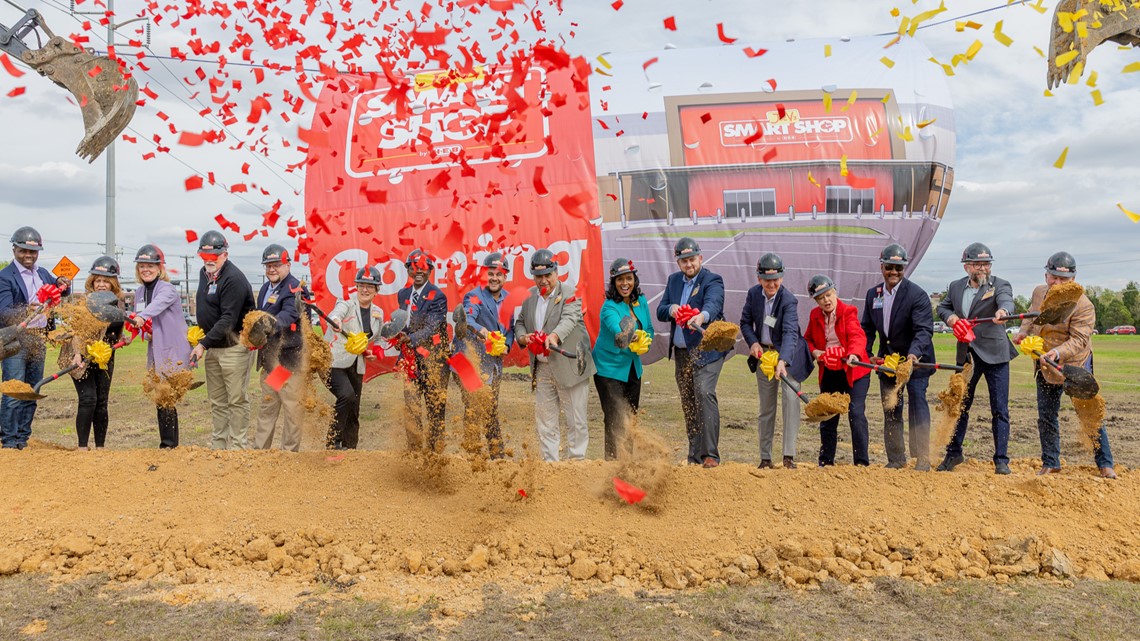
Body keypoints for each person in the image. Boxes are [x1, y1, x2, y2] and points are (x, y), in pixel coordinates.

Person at [1015, 251, 1115, 479]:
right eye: (1053, 278)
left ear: (1074, 280)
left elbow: (1079, 341)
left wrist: (1057, 353)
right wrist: (1023, 333)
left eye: (1064, 280)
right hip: (1045, 363)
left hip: (1075, 365)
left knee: (1089, 413)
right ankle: (1051, 462)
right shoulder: (1040, 292)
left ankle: (1105, 463)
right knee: (1047, 415)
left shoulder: (1084, 305)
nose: (1057, 283)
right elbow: (1032, 317)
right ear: (1046, 275)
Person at [937, 242, 1018, 475]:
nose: (983, 268)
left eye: (986, 264)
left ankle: (1001, 459)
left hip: (995, 355)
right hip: (967, 356)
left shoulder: (1000, 285)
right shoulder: (955, 287)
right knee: (960, 406)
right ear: (967, 267)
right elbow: (943, 307)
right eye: (978, 264)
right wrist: (951, 318)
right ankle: (953, 454)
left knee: (1000, 409)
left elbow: (1006, 301)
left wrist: (1003, 313)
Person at [515, 248, 596, 461]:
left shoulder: (570, 293)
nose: (543, 281)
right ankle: (550, 466)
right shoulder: (530, 297)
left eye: (547, 275)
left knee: (576, 420)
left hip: (570, 367)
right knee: (545, 420)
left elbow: (569, 319)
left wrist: (554, 336)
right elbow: (521, 322)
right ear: (533, 276)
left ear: (556, 272)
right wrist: (523, 338)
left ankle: (576, 464)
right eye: (538, 276)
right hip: (542, 368)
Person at [861, 243, 936, 471]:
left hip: (917, 362)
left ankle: (921, 458)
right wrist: (868, 353)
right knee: (891, 408)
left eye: (899, 268)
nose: (894, 272)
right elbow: (866, 328)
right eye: (889, 267)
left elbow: (924, 330)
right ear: (882, 266)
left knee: (917, 403)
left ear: (905, 268)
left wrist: (912, 356)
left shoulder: (917, 295)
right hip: (888, 363)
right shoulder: (873, 294)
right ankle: (895, 459)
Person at [656, 237, 729, 468]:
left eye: (692, 259)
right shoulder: (673, 281)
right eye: (684, 261)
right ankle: (694, 455)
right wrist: (671, 309)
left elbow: (714, 304)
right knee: (688, 401)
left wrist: (702, 316)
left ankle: (710, 455)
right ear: (678, 262)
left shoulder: (712, 279)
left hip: (707, 350)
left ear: (700, 257)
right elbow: (660, 311)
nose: (688, 265)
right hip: (681, 353)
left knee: (704, 393)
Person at [0, 226, 71, 450]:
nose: (28, 256)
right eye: (23, 251)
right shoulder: (4, 277)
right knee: (14, 390)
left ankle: (22, 438)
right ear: (14, 249)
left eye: (33, 252)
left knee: (32, 389)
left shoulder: (42, 273)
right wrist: (26, 310)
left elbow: (63, 291)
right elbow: (4, 312)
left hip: (38, 338)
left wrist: (62, 281)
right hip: (16, 341)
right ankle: (9, 441)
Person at [740, 253, 813, 469]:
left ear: (781, 278)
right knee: (766, 407)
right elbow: (745, 322)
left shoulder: (789, 300)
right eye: (767, 279)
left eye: (776, 279)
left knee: (791, 402)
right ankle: (765, 458)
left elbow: (791, 333)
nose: (772, 284)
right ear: (759, 278)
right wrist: (753, 343)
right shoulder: (753, 295)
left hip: (787, 356)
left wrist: (783, 361)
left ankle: (788, 457)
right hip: (763, 356)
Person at [191, 230, 256, 450]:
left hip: (234, 347)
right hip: (213, 347)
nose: (209, 261)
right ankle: (219, 446)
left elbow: (228, 319)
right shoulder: (204, 273)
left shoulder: (233, 278)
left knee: (236, 399)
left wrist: (203, 344)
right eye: (204, 256)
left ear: (225, 254)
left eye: (214, 257)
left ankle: (237, 447)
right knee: (217, 401)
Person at [804, 274, 870, 467]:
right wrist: (816, 352)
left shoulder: (848, 311)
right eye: (820, 298)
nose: (826, 300)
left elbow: (857, 335)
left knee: (856, 413)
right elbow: (807, 339)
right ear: (816, 301)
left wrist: (854, 354)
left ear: (835, 292)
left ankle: (861, 463)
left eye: (829, 294)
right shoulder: (814, 316)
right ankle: (826, 461)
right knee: (828, 416)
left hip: (853, 370)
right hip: (831, 371)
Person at [453, 252, 515, 459]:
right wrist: (485, 334)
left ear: (505, 277)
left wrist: (506, 345)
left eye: (499, 274)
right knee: (475, 405)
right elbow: (468, 320)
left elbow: (510, 329)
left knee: (490, 407)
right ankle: (474, 455)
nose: (494, 278)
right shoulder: (474, 296)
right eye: (491, 273)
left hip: (493, 364)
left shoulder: (509, 300)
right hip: (468, 361)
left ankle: (495, 457)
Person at [592, 258, 654, 460]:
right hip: (608, 369)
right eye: (619, 280)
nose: (624, 283)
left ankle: (626, 463)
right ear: (613, 282)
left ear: (634, 279)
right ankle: (612, 464)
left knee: (630, 418)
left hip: (632, 368)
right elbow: (618, 331)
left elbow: (650, 329)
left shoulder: (641, 301)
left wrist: (646, 339)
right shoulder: (608, 307)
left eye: (628, 278)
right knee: (615, 418)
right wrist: (631, 335)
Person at [130, 244, 190, 448]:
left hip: (173, 351)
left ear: (159, 268)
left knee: (166, 398)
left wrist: (141, 316)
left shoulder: (167, 289)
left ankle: (168, 444)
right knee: (161, 398)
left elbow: (156, 306)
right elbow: (141, 323)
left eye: (151, 265)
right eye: (142, 266)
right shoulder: (139, 292)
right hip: (155, 350)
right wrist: (134, 332)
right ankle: (169, 444)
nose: (146, 269)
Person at [67, 256, 126, 450]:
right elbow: (76, 332)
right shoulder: (84, 303)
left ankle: (100, 448)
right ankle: (82, 447)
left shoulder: (118, 303)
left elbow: (114, 329)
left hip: (105, 356)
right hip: (81, 357)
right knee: (88, 399)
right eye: (97, 280)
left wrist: (123, 337)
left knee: (102, 402)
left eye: (106, 280)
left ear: (113, 282)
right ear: (92, 282)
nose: (101, 284)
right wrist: (77, 354)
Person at [253, 244, 306, 452]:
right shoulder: (266, 288)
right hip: (271, 362)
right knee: (268, 406)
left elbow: (288, 315)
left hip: (288, 362)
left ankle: (289, 455)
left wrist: (268, 323)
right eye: (268, 266)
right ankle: (259, 452)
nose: (271, 269)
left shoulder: (296, 288)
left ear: (288, 265)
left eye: (277, 265)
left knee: (292, 409)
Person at [396, 249, 450, 453]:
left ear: (430, 271)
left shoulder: (438, 296)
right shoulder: (402, 294)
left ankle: (435, 457)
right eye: (413, 267)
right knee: (411, 409)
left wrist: (410, 339)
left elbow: (433, 327)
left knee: (435, 410)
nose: (418, 271)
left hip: (434, 361)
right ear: (408, 269)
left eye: (423, 267)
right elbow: (403, 322)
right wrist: (396, 334)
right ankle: (415, 452)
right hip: (410, 361)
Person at [326, 266, 383, 450]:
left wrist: (374, 352)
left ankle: (351, 448)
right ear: (356, 287)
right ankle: (333, 442)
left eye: (370, 286)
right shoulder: (346, 303)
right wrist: (336, 320)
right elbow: (336, 314)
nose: (365, 290)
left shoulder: (378, 313)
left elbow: (377, 337)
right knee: (346, 395)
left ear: (376, 290)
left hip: (357, 364)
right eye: (361, 285)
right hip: (336, 362)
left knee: (354, 408)